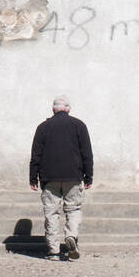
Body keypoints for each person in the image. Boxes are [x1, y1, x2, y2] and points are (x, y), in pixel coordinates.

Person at [28, 96, 94, 261]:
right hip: (73, 175)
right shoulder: (79, 125)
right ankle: (71, 236)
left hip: (49, 178)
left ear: (53, 109)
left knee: (51, 212)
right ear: (68, 109)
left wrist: (33, 178)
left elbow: (36, 154)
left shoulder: (43, 127)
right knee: (73, 209)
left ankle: (54, 251)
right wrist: (88, 176)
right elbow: (87, 153)